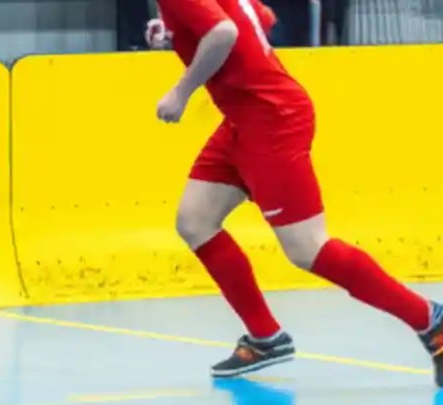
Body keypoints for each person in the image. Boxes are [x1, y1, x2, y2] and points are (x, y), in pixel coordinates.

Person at [147, 0, 443, 384]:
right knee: (195, 221)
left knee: (308, 248)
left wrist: (181, 92)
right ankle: (266, 336)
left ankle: (430, 321)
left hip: (271, 121)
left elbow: (224, 33)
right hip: (244, 120)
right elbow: (261, 18)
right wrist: (176, 33)